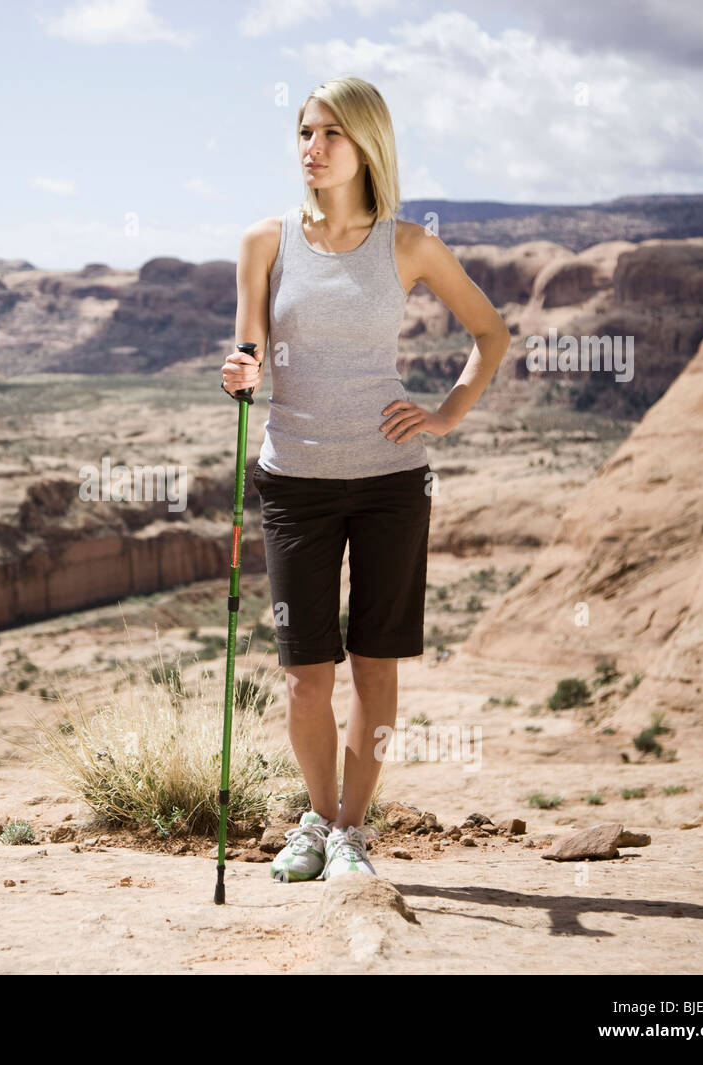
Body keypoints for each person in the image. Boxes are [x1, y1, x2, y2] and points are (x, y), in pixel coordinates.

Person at [222, 76, 510, 882]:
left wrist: (445, 415)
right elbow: (247, 347)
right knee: (305, 674)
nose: (311, 149)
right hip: (295, 482)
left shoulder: (409, 245)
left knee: (374, 666)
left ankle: (353, 830)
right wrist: (239, 371)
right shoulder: (265, 241)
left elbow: (491, 334)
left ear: (367, 144)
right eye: (304, 133)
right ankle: (315, 821)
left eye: (329, 135)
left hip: (392, 482)